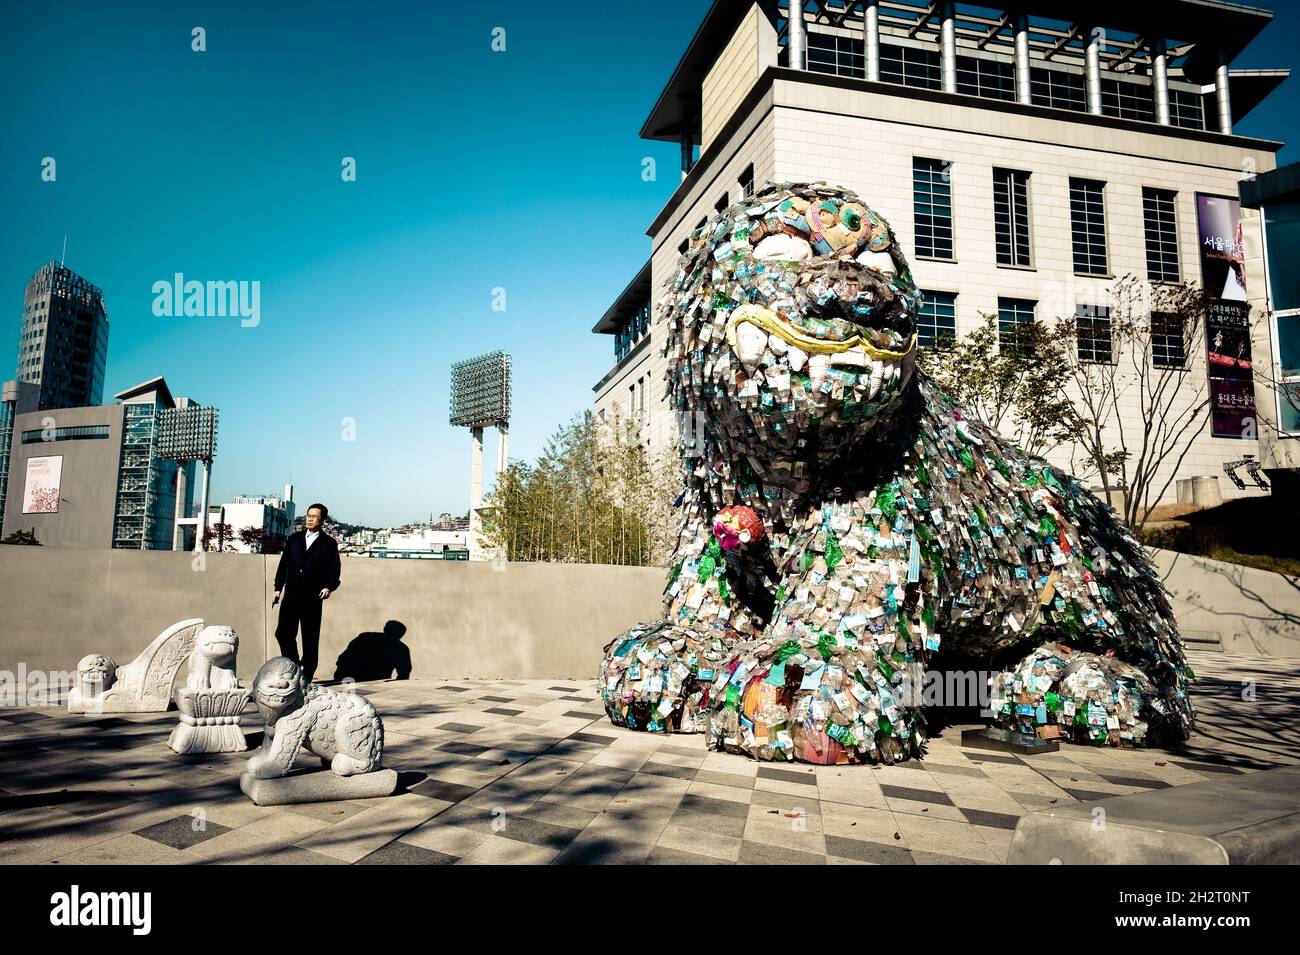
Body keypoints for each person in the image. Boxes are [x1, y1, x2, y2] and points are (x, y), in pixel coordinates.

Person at [272, 503, 341, 682]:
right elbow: (283, 565)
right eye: (308, 515)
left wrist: (329, 586)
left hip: (313, 596)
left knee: (310, 637)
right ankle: (294, 665)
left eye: (314, 516)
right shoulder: (294, 539)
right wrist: (278, 588)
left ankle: (308, 674)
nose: (309, 519)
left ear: (323, 520)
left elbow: (334, 569)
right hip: (292, 593)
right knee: (283, 633)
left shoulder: (328, 543)